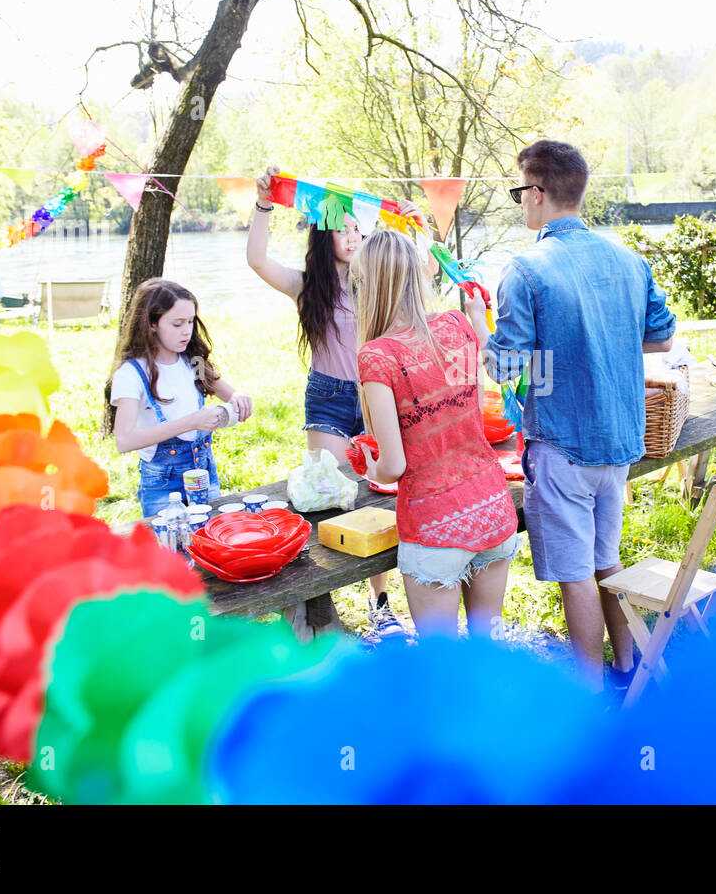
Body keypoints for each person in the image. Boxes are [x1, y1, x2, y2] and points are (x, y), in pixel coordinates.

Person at [474, 139, 676, 692]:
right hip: (619, 442)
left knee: (576, 575)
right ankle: (627, 669)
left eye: (520, 192)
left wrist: (476, 324)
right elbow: (659, 338)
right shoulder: (631, 260)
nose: (520, 202)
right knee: (606, 561)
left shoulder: (525, 268)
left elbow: (508, 367)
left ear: (537, 194)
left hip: (562, 447)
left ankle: (589, 698)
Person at [246, 167, 425, 633]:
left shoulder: (376, 284)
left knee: (375, 499)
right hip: (328, 397)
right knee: (323, 496)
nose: (351, 236)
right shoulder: (309, 285)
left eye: (357, 230)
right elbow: (258, 260)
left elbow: (424, 274)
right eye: (341, 229)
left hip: (375, 397)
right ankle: (317, 604)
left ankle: (380, 603)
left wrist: (415, 227)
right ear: (323, 236)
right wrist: (265, 203)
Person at [352, 229, 517, 638]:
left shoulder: (377, 355)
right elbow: (469, 411)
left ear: (367, 285)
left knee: (442, 668)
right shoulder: (457, 324)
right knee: (486, 648)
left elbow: (394, 466)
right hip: (492, 507)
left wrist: (372, 469)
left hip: (435, 527)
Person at [107, 278, 253, 518]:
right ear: (152, 323)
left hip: (205, 476)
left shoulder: (192, 362)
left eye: (190, 322)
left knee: (212, 544)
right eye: (177, 324)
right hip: (163, 488)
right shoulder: (132, 374)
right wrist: (192, 422)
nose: (187, 331)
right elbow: (124, 440)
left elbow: (230, 394)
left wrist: (239, 397)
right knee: (173, 551)